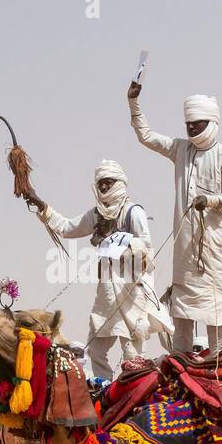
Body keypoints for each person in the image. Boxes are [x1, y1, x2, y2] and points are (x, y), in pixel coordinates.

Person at [128, 80, 222, 353]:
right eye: (189, 124)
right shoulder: (180, 149)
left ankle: (219, 365)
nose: (192, 128)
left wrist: (210, 200)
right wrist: (134, 103)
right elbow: (146, 136)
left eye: (198, 123)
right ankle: (180, 363)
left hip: (215, 251)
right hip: (184, 251)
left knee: (216, 311)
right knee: (181, 311)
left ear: (212, 122)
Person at [25, 161, 157, 378]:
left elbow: (146, 246)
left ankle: (133, 392)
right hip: (107, 293)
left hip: (131, 292)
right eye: (100, 183)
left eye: (108, 182)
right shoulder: (97, 215)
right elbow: (67, 228)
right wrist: (41, 206)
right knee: (96, 351)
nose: (104, 187)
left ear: (119, 183)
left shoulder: (133, 212)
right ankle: (104, 390)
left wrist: (113, 241)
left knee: (132, 354)